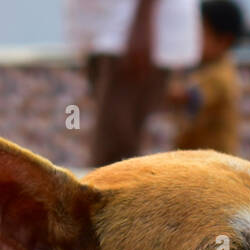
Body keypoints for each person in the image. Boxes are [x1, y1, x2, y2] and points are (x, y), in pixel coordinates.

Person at [67, 0, 201, 166]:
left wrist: (141, 22)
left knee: (114, 153)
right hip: (114, 34)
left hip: (127, 36)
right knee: (117, 148)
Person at [170, 0, 244, 155]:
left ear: (224, 40)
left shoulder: (220, 75)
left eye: (200, 33)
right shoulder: (206, 68)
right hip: (200, 160)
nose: (192, 39)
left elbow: (184, 96)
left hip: (214, 164)